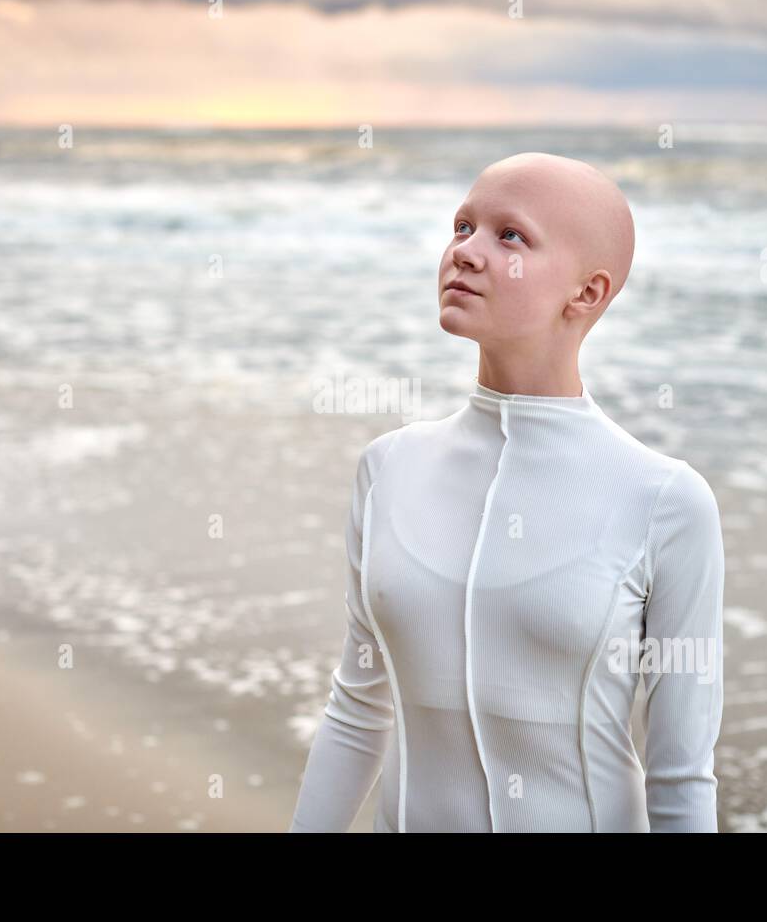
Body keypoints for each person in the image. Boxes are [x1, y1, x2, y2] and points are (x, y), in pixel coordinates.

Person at [289, 152, 725, 832]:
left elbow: (681, 777)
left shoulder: (664, 501)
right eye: (462, 226)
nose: (465, 252)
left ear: (586, 293)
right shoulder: (388, 470)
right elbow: (356, 713)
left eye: (509, 236)